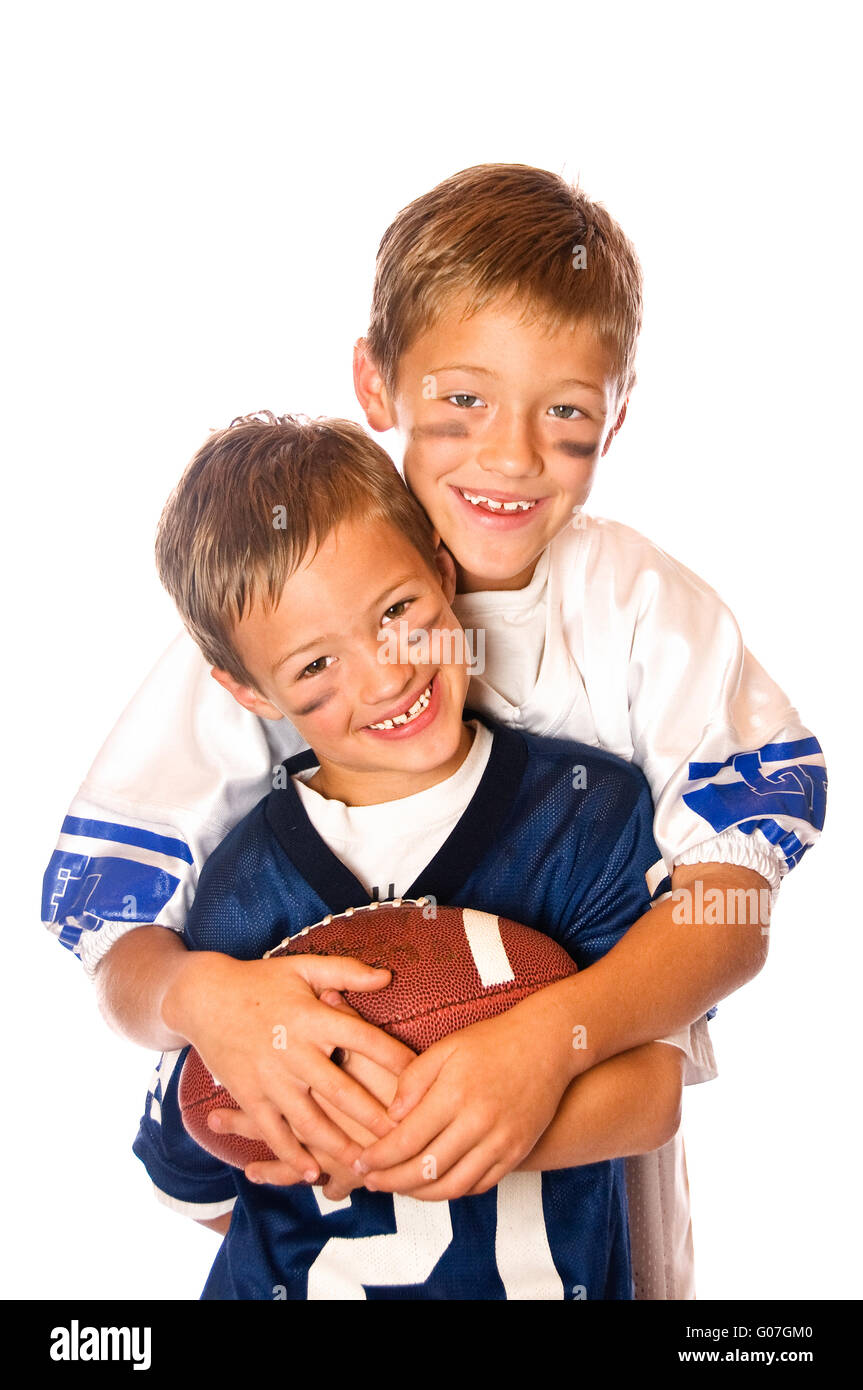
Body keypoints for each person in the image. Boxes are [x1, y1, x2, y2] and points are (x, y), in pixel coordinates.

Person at [42, 165, 825, 1298]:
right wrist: (207, 1000)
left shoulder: (638, 609)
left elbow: (731, 897)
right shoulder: (289, 592)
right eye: (463, 399)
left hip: (586, 1149)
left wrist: (550, 1037)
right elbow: (114, 933)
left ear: (617, 408)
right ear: (375, 379)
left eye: (562, 413)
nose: (507, 457)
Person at [134, 412, 685, 1300]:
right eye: (315, 666)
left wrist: (428, 1129)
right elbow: (196, 1154)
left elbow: (651, 1096)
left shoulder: (584, 815)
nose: (385, 677)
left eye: (397, 612)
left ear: (440, 569)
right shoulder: (237, 892)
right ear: (246, 689)